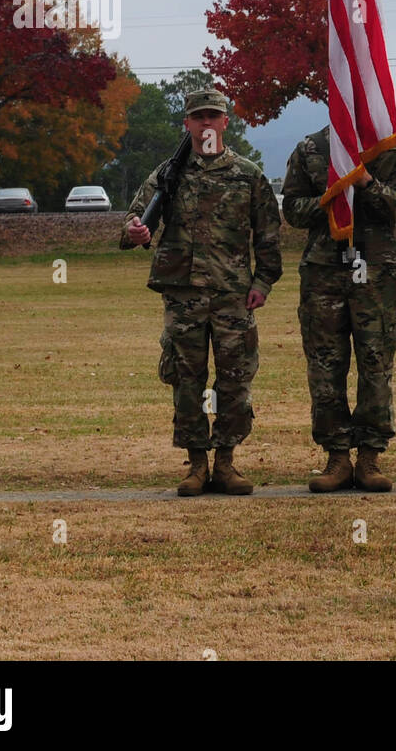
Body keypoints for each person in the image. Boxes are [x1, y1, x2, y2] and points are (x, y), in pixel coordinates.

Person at [121, 88, 283, 495]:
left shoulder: (248, 174)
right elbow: (135, 220)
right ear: (187, 124)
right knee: (186, 379)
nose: (206, 123)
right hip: (183, 296)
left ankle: (226, 462)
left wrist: (263, 283)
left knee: (234, 380)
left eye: (214, 116)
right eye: (198, 117)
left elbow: (268, 237)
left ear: (226, 122)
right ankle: (196, 464)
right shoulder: (167, 174)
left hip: (233, 296)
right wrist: (135, 230)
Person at [283, 126, 396, 493]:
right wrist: (330, 197)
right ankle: (337, 455)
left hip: (376, 271)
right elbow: (291, 209)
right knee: (325, 367)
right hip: (324, 272)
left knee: (376, 364)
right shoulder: (310, 147)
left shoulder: (395, 150)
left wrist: (367, 183)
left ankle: (370, 456)